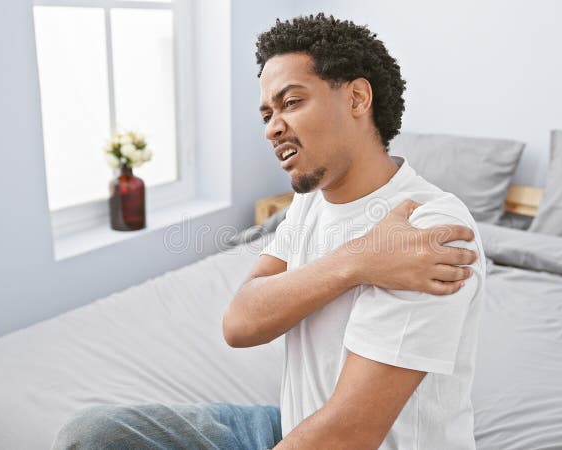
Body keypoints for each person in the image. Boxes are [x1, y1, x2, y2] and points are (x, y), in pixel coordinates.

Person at [52, 12, 483, 450]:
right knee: (91, 435)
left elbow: (350, 433)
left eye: (291, 102)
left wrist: (359, 260)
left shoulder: (431, 231)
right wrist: (355, 261)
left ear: (356, 98)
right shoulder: (312, 199)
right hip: (294, 425)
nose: (272, 128)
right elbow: (241, 323)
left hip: (340, 439)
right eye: (267, 113)